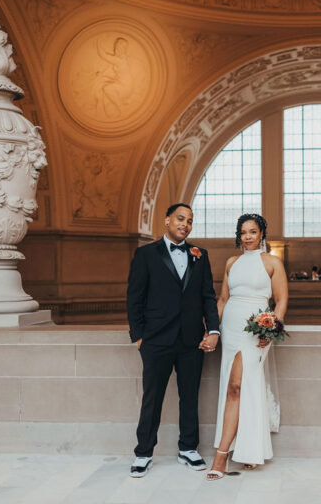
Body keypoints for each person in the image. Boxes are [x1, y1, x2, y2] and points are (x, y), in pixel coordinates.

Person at [126, 203, 220, 478]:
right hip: (155, 340)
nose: (185, 224)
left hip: (191, 340)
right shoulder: (145, 254)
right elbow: (135, 298)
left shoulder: (200, 255)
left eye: (190, 221)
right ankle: (143, 453)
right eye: (180, 219)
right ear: (167, 220)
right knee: (152, 398)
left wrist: (212, 330)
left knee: (189, 396)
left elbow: (207, 297)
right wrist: (139, 336)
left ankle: (188, 448)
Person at [207, 213, 288, 481]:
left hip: (255, 333)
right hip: (230, 329)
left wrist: (271, 330)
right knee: (236, 388)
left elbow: (281, 300)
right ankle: (247, 450)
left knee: (237, 386)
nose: (248, 237)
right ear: (238, 235)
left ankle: (221, 456)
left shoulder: (273, 263)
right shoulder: (232, 262)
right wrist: (212, 331)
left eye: (253, 231)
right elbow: (222, 299)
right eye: (243, 232)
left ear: (262, 233)